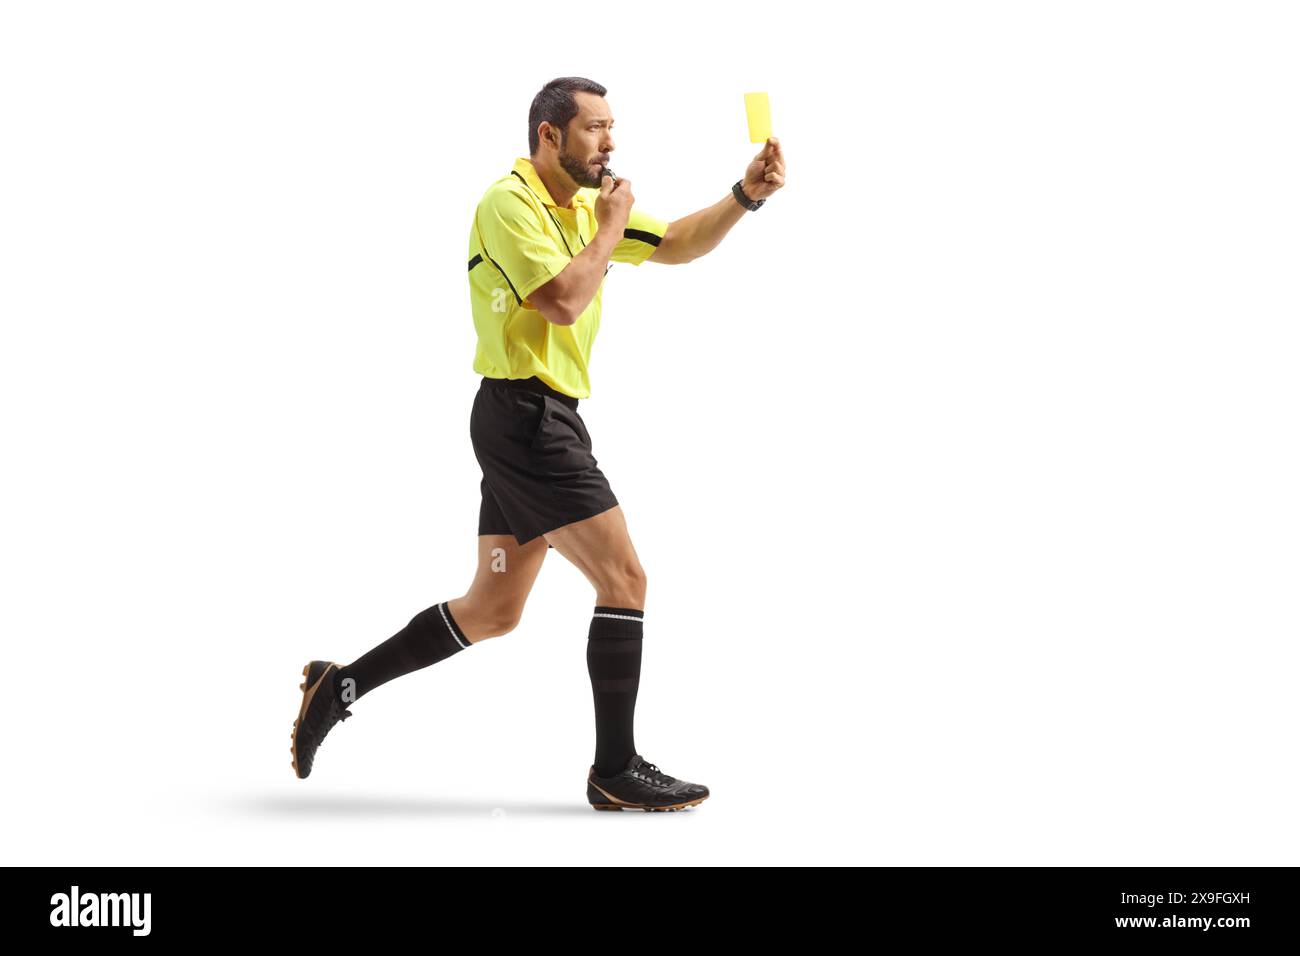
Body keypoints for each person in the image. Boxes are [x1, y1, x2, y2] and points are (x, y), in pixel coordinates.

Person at [290, 76, 786, 811]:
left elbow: (679, 242)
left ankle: (341, 684)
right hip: (526, 420)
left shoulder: (589, 205)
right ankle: (614, 769)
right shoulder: (508, 203)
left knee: (491, 610)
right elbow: (560, 301)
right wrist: (609, 230)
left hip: (537, 416)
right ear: (549, 136)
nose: (610, 142)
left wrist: (744, 196)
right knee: (626, 579)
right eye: (594, 128)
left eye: (613, 127)